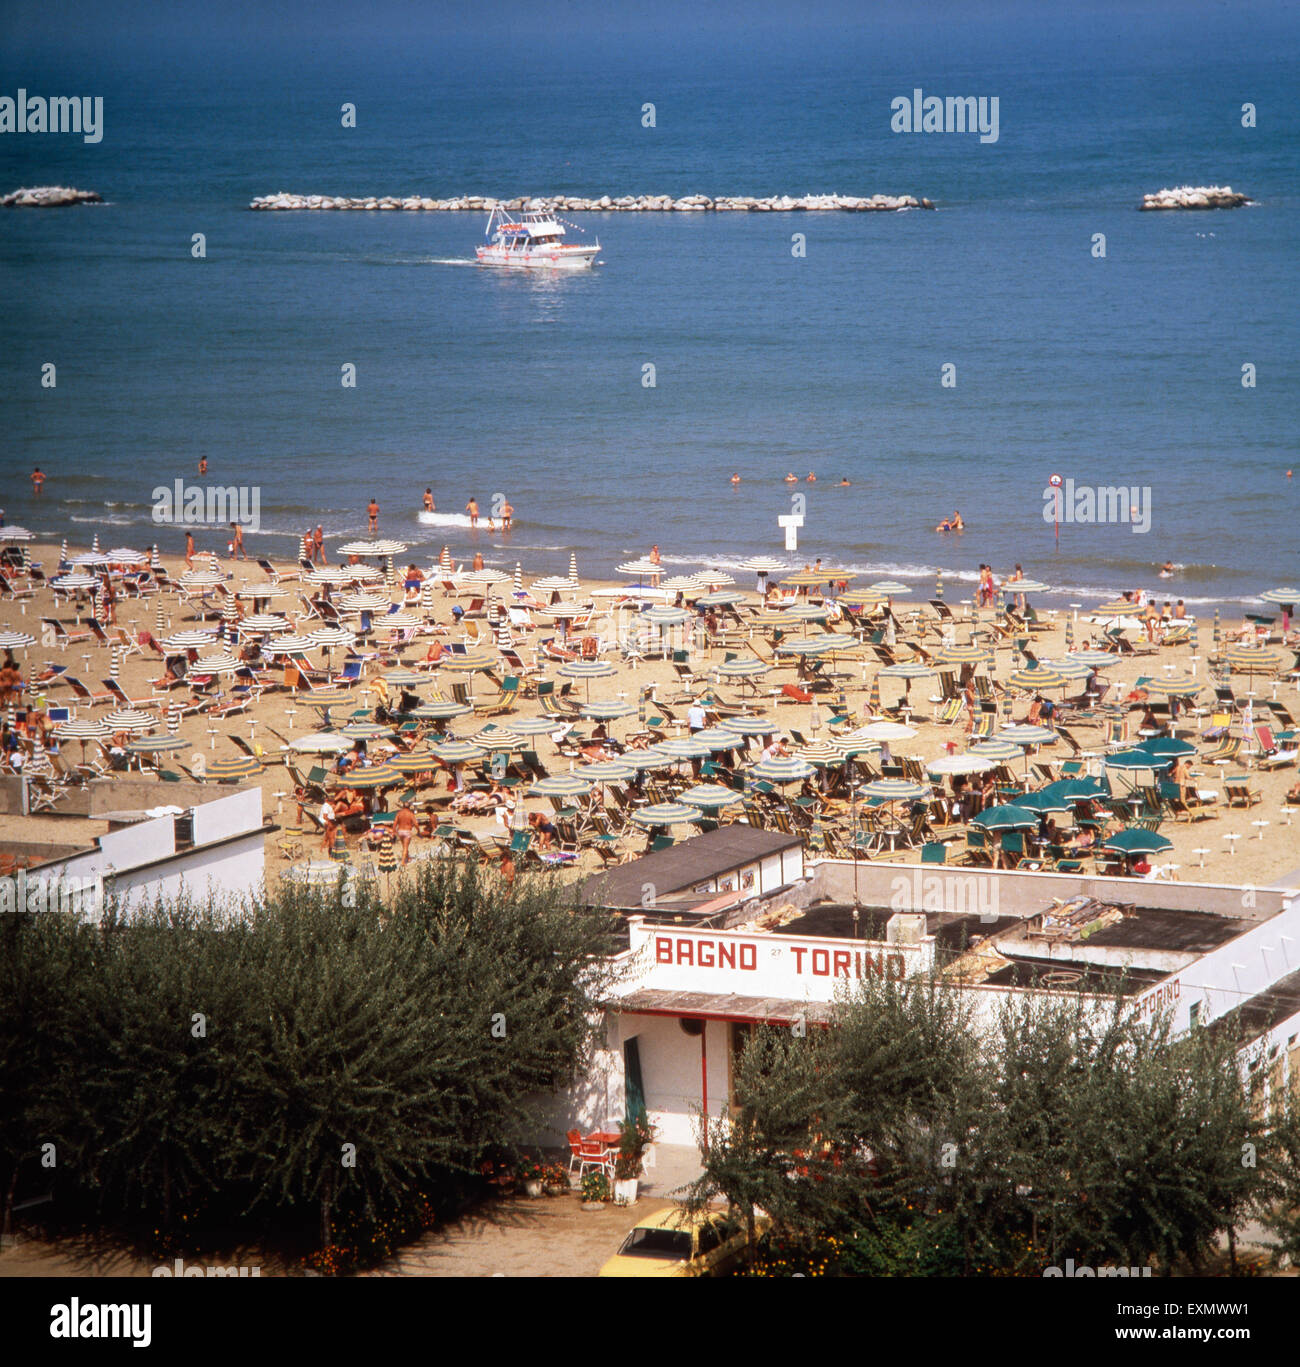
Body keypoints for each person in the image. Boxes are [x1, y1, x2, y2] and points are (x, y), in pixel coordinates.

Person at [394, 801, 417, 865]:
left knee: (404, 845)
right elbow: (415, 823)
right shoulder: (410, 814)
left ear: (403, 806)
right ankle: (403, 862)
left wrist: (394, 831)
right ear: (409, 807)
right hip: (407, 831)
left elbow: (395, 823)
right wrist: (418, 830)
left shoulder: (399, 813)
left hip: (400, 831)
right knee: (405, 847)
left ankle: (408, 857)